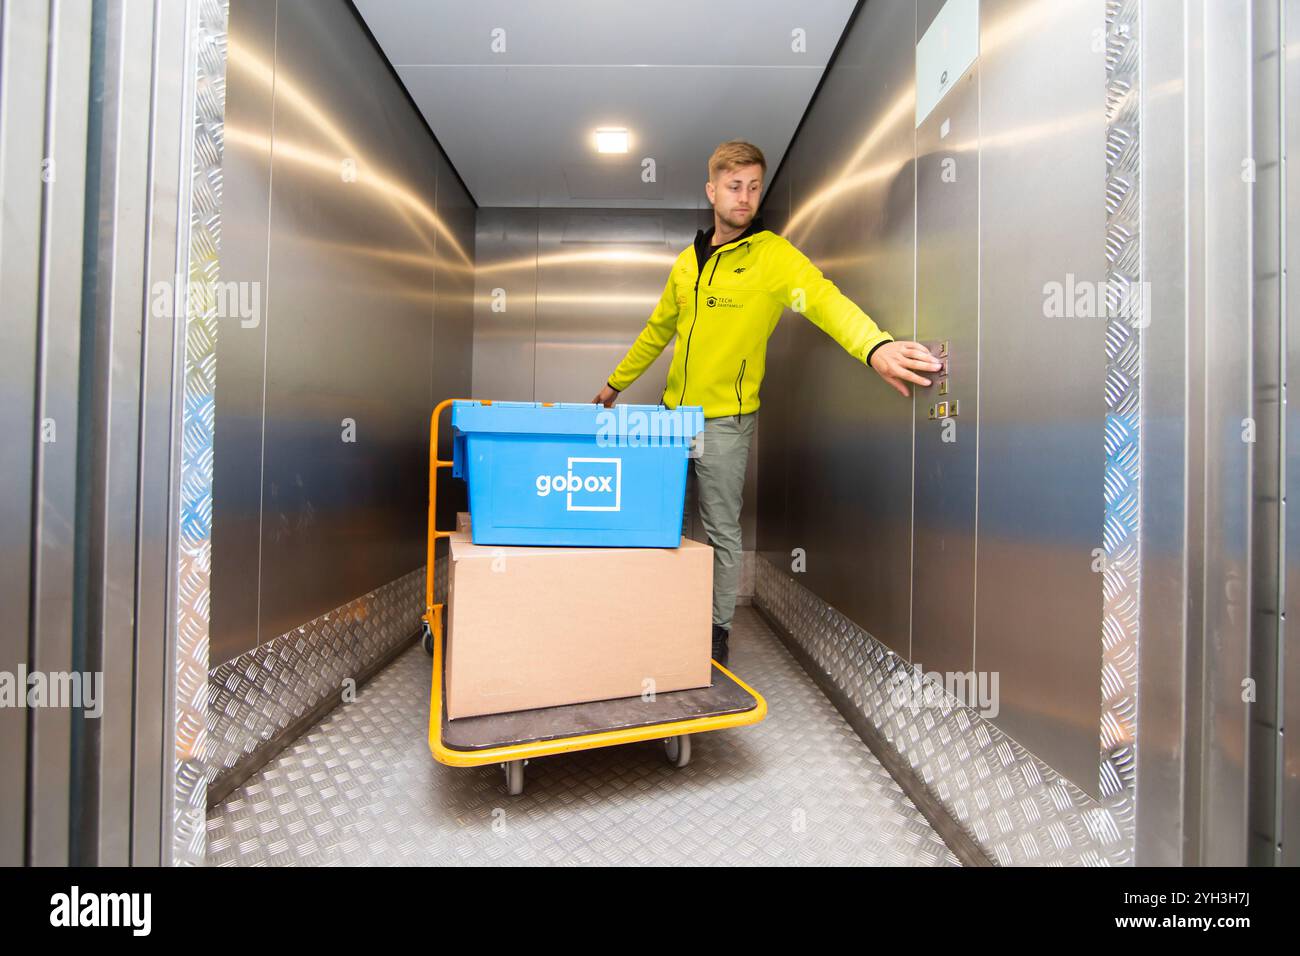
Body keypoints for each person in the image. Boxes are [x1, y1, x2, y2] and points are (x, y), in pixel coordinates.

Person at [592, 140, 940, 665]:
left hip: (725, 423)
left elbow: (825, 300)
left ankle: (714, 630)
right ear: (712, 190)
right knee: (665, 520)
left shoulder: (772, 258)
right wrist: (615, 385)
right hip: (669, 419)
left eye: (754, 187)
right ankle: (667, 614)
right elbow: (657, 330)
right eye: (734, 187)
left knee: (720, 529)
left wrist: (874, 346)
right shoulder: (687, 265)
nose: (745, 197)